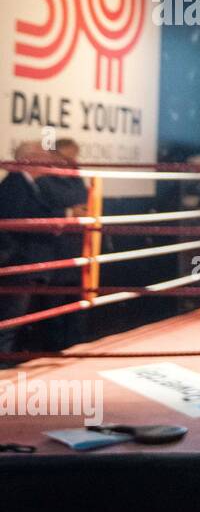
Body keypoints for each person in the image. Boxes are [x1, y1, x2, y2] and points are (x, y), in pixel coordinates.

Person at [0, 142, 60, 355]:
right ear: (28, 159)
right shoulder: (15, 185)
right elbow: (15, 221)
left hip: (21, 264)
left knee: (11, 320)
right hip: (17, 265)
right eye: (43, 155)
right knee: (8, 320)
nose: (49, 159)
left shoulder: (27, 185)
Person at [36, 138, 91, 349]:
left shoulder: (76, 178)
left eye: (74, 157)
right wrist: (71, 212)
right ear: (56, 156)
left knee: (77, 303)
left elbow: (84, 199)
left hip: (78, 247)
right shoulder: (44, 180)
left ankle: (75, 346)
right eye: (68, 157)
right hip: (56, 251)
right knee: (54, 306)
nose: (72, 161)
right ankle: (55, 349)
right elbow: (43, 211)